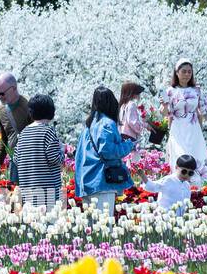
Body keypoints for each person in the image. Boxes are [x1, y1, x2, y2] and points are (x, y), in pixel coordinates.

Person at [75, 85, 137, 218]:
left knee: (91, 229)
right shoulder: (107, 124)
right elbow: (108, 152)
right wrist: (128, 145)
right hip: (102, 180)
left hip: (87, 180)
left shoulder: (88, 125)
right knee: (104, 226)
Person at [161, 59, 207, 184]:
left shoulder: (197, 91)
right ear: (177, 73)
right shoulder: (170, 91)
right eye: (183, 71)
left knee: (195, 154)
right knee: (180, 154)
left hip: (193, 128)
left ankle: (197, 185)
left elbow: (204, 111)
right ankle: (178, 183)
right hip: (178, 128)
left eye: (189, 72)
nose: (186, 74)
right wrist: (165, 105)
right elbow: (165, 113)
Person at [13, 95, 66, 209]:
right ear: (51, 112)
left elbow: (16, 159)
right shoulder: (48, 132)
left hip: (28, 193)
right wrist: (62, 150)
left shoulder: (23, 133)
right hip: (48, 194)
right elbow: (54, 159)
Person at [0, 72, 33, 184]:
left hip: (32, 161)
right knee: (16, 197)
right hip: (14, 162)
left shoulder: (29, 105)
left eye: (2, 93)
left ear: (14, 88)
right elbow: (4, 139)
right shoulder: (0, 110)